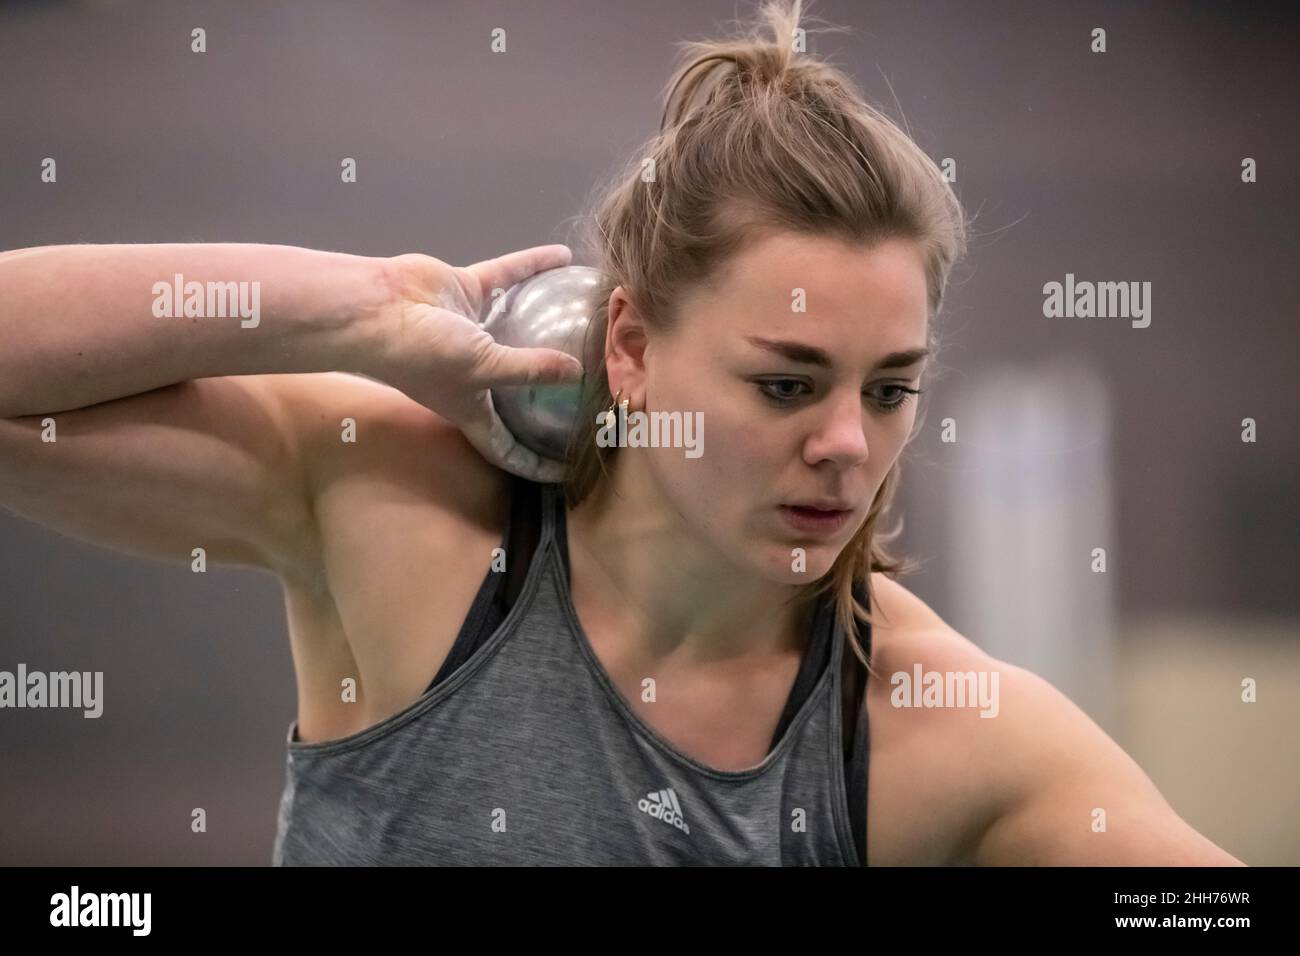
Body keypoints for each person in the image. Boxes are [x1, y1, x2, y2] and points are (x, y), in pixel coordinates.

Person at [0, 0, 1241, 865]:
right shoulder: (401, 519)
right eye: (785, 383)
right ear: (632, 347)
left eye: (888, 389)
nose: (847, 447)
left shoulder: (943, 730)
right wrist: (365, 305)